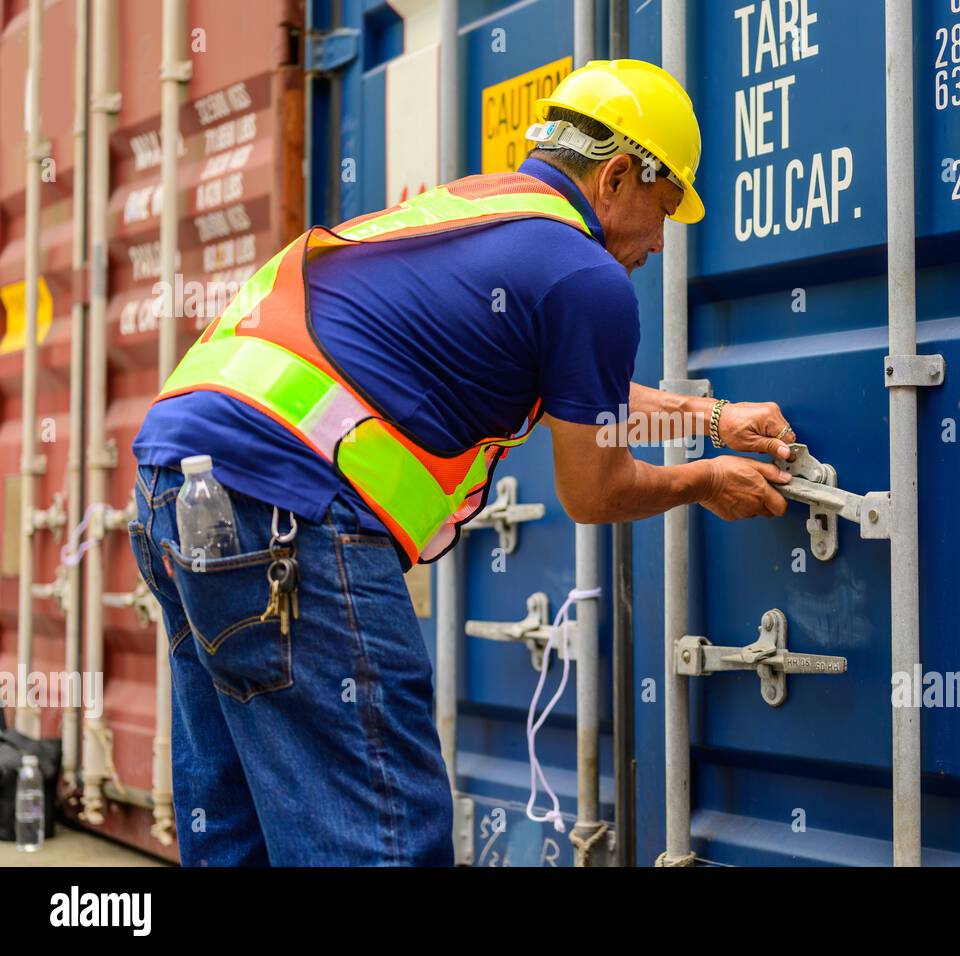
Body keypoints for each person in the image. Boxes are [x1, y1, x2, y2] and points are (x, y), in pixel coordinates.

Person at [128, 59, 797, 866]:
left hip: (178, 492)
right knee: (382, 839)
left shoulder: (484, 215)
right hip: (288, 512)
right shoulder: (587, 278)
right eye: (661, 209)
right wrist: (704, 482)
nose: (659, 241)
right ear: (618, 174)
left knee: (237, 833)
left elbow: (583, 400)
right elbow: (596, 484)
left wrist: (713, 419)